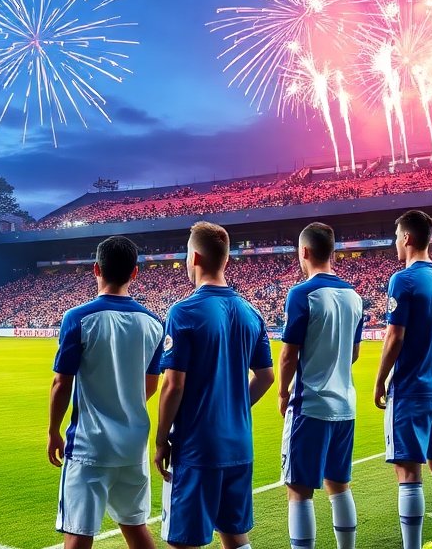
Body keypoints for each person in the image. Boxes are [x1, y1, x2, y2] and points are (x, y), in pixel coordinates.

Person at [156, 222, 274, 549]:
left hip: (198, 445)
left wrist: (162, 438)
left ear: (194, 256)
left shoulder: (184, 311)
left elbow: (173, 386)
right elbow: (266, 376)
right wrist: (233, 405)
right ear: (226, 260)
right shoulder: (251, 312)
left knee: (184, 540)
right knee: (235, 535)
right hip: (239, 443)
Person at [48, 236, 165, 549]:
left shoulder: (78, 317)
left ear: (95, 269)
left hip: (90, 445)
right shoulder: (154, 322)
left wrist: (53, 431)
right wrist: (125, 401)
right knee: (136, 527)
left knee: (78, 532)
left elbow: (62, 382)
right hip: (133, 446)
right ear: (134, 272)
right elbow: (151, 384)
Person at [373, 210, 432, 549]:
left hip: (411, 388)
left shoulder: (403, 279)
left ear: (407, 238)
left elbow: (395, 336)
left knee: (408, 473)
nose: (395, 243)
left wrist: (380, 381)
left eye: (396, 237)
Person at [278, 223, 363, 549]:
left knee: (299, 489)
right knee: (339, 484)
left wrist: (284, 392)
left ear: (304, 252)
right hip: (345, 406)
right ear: (332, 252)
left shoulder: (302, 294)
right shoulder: (354, 296)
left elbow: (288, 356)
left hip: (310, 405)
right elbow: (353, 353)